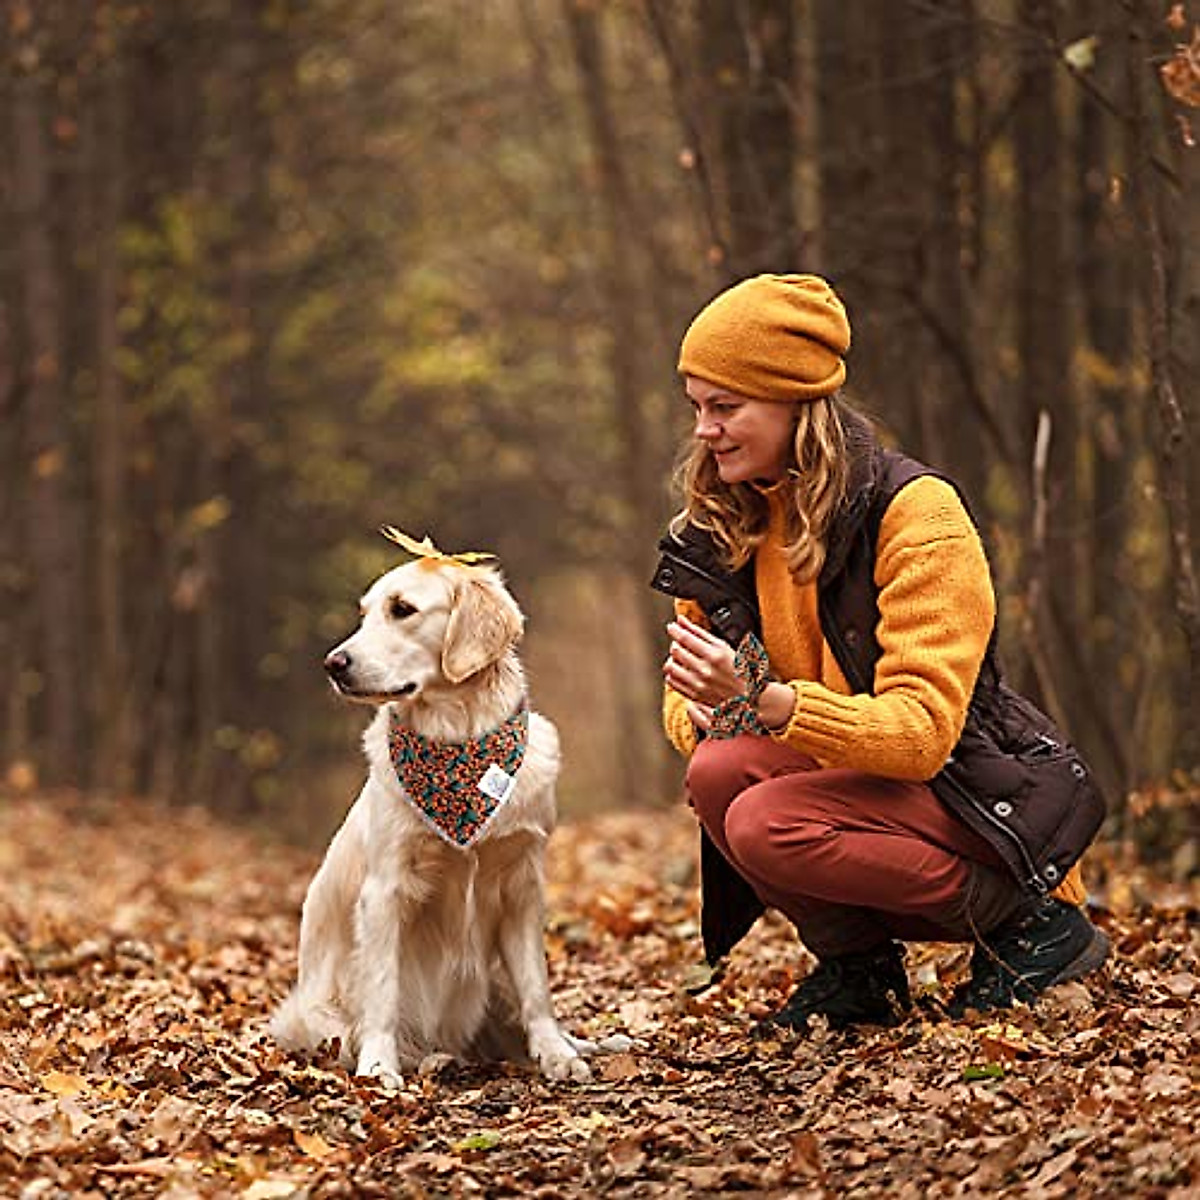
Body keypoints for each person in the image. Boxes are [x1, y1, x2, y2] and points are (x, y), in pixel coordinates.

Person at [651, 273, 1110, 1032]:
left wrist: (763, 702)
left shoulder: (915, 512)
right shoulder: (719, 525)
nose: (705, 430)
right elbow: (686, 707)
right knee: (716, 770)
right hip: (845, 791)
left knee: (766, 820)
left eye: (726, 407)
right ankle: (860, 971)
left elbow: (923, 734)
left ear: (796, 401)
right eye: (697, 407)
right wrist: (707, 710)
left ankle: (1033, 927)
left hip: (976, 803)